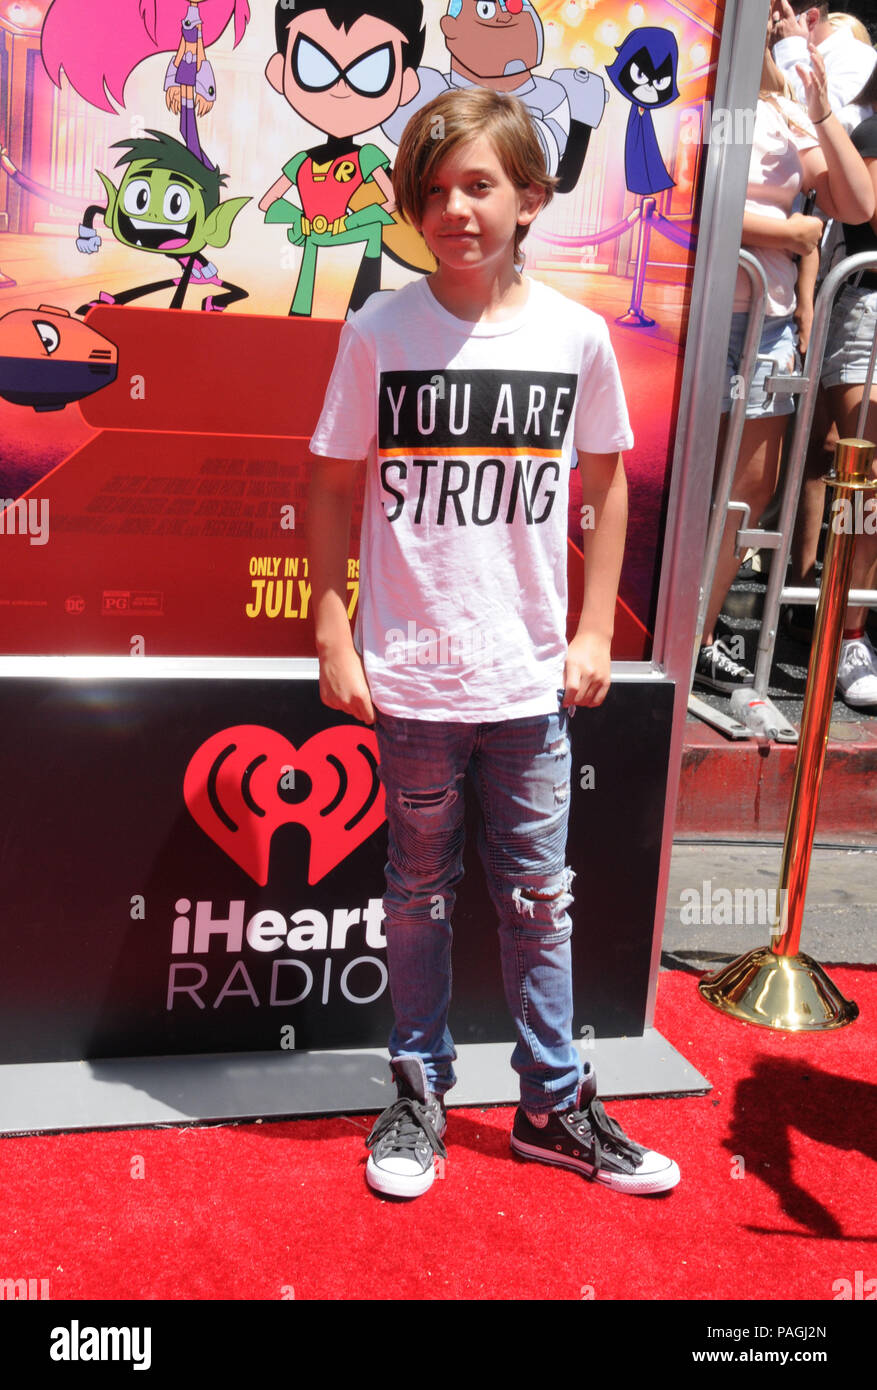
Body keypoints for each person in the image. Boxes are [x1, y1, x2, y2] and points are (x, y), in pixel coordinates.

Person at [308, 85, 680, 1199]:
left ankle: (551, 1105)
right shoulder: (377, 330)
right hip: (413, 678)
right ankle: (417, 1096)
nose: (456, 209)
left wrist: (591, 630)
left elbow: (606, 486)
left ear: (532, 194)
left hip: (528, 682)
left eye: (479, 185)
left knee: (536, 895)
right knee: (416, 893)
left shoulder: (576, 335)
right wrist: (333, 628)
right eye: (434, 190)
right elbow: (329, 486)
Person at [694, 36, 874, 693]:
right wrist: (785, 234)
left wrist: (824, 109)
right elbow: (684, 195)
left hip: (763, 324)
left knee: (742, 494)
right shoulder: (693, 80)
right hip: (683, 314)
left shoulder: (788, 104)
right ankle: (658, 633)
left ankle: (699, 637)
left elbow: (855, 207)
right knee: (678, 482)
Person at [771, 0, 876, 131]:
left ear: (811, 19)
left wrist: (788, 46)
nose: (770, 31)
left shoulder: (859, 56)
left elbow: (821, 121)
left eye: (775, 23)